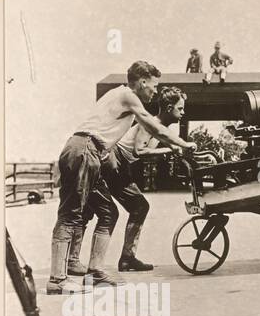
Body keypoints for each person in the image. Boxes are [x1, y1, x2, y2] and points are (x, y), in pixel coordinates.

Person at [47, 61, 195, 294]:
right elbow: (153, 127)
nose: (154, 92)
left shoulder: (116, 94)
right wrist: (183, 144)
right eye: (153, 86)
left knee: (108, 212)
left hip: (90, 150)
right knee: (71, 214)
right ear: (142, 81)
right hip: (86, 149)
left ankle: (95, 271)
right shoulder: (128, 95)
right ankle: (57, 281)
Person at [70, 85, 187, 274]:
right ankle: (88, 260)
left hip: (120, 164)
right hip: (114, 161)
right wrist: (170, 149)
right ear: (168, 109)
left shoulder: (160, 127)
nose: (183, 112)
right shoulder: (149, 125)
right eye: (180, 108)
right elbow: (139, 150)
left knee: (137, 207)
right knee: (104, 210)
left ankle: (126, 258)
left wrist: (174, 150)